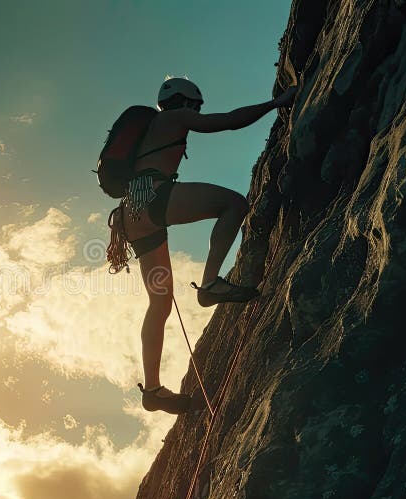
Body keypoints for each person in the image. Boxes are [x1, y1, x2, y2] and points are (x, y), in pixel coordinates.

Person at [107, 77, 298, 413]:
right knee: (234, 204)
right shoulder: (173, 117)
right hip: (154, 195)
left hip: (131, 214)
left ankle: (153, 390)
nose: (196, 112)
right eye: (195, 106)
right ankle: (209, 283)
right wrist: (275, 103)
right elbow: (226, 121)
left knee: (159, 304)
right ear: (186, 102)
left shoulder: (151, 128)